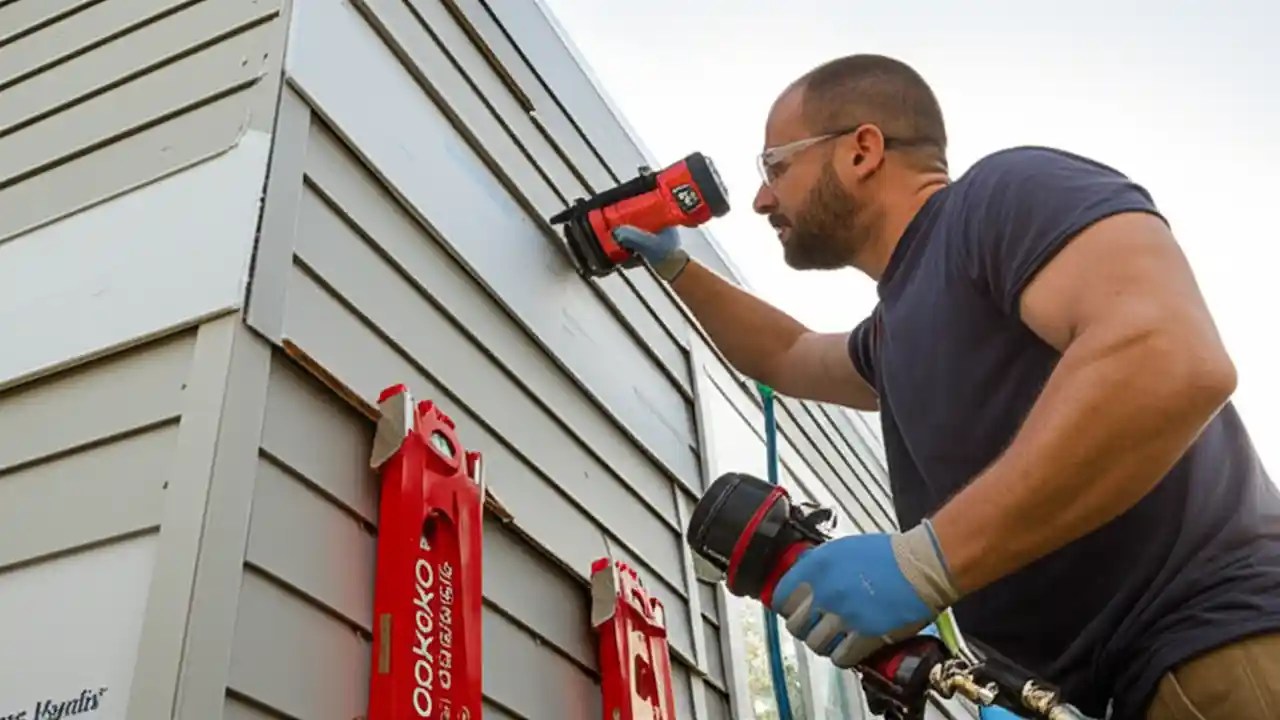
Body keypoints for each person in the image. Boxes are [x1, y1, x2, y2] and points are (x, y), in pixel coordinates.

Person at [611, 54, 1280, 720]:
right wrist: (675, 266)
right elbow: (785, 354)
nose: (761, 199)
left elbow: (1169, 359)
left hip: (1218, 651)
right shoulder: (891, 335)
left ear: (862, 150)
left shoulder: (1003, 196)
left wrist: (925, 563)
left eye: (776, 168)